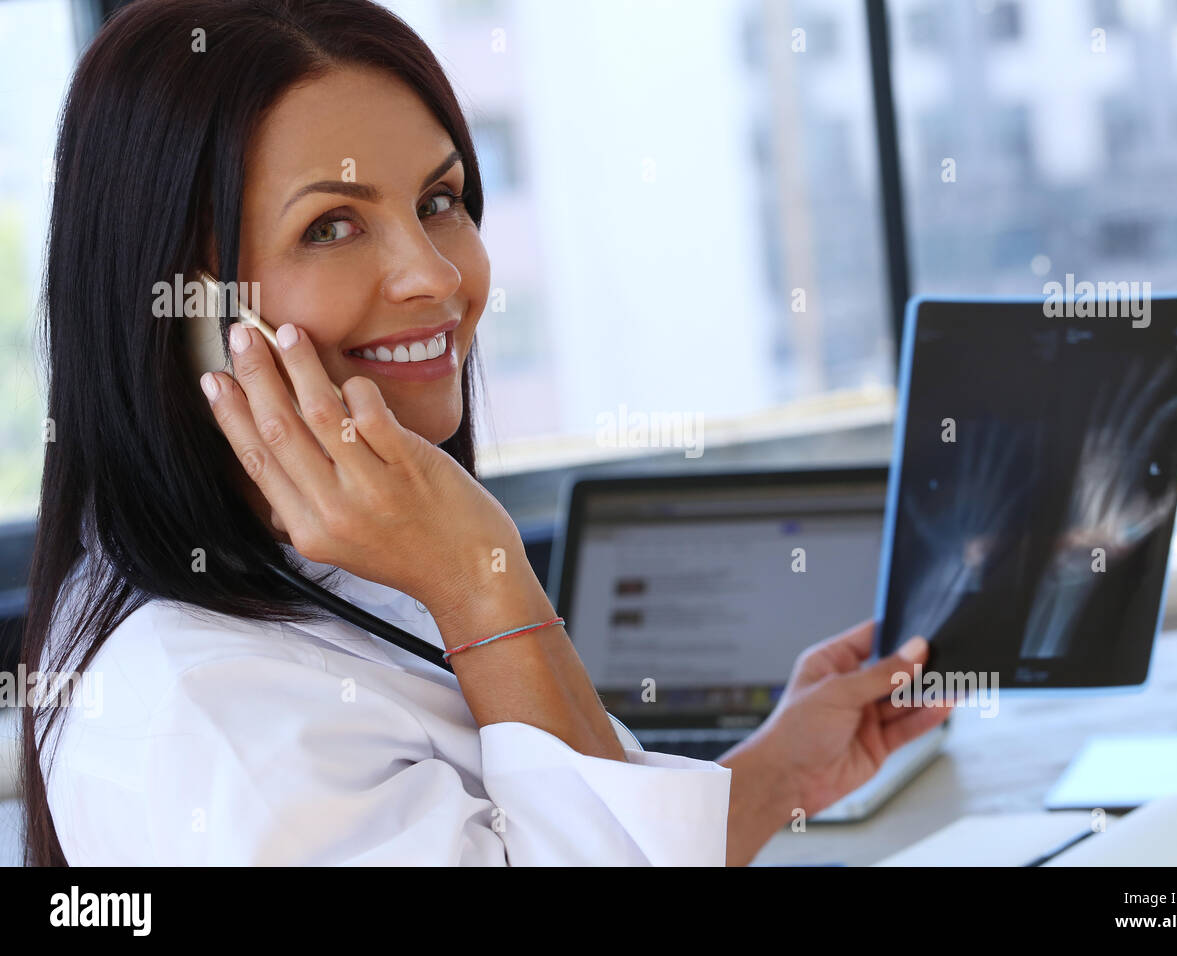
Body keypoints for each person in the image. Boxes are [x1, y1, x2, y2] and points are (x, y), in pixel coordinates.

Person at [20, 0, 951, 866]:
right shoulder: (207, 710)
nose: (434, 275)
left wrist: (786, 771)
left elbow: (569, 845)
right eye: (332, 226)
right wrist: (480, 574)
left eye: (438, 202)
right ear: (184, 308)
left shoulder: (358, 556)